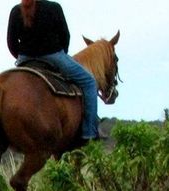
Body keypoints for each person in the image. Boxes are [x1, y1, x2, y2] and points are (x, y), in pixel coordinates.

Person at [7, 0, 101, 143]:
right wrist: (61, 54)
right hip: (53, 56)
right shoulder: (54, 8)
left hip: (25, 60)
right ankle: (89, 132)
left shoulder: (16, 11)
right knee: (89, 82)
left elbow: (11, 42)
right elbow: (65, 36)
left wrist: (22, 57)